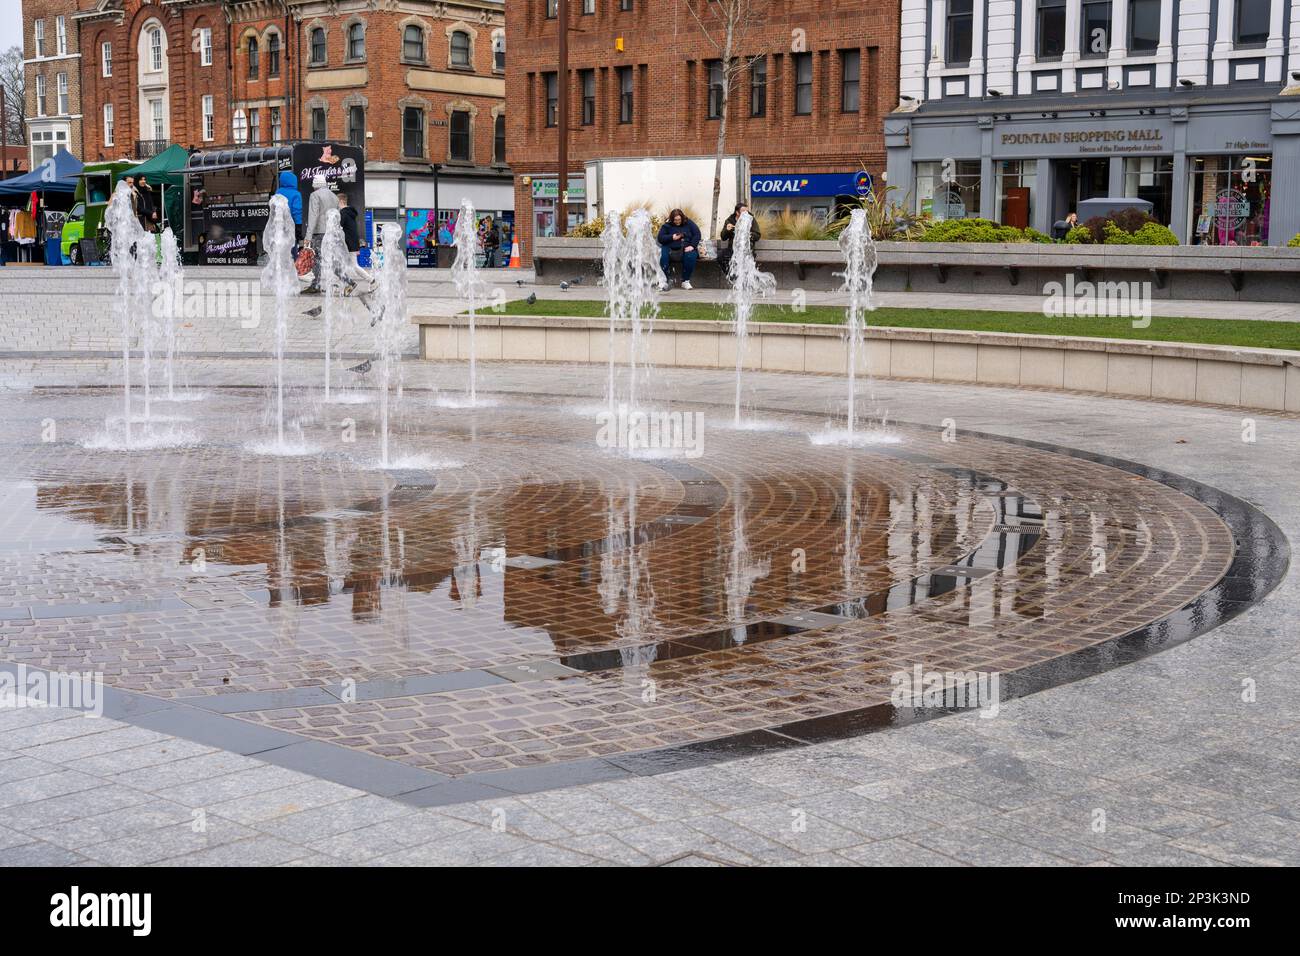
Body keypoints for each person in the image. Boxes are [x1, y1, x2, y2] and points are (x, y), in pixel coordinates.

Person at [303, 174, 339, 294]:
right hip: (331, 232)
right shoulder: (334, 196)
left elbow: (313, 215)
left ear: (316, 185)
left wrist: (308, 236)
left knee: (317, 259)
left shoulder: (315, 195)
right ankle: (347, 280)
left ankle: (316, 285)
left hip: (319, 232)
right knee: (331, 259)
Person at [657, 208, 701, 290]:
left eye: (679, 219)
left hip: (686, 247)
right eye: (675, 220)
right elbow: (660, 238)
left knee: (691, 256)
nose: (677, 222)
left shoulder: (689, 223)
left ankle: (685, 281)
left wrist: (692, 246)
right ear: (671, 219)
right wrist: (672, 237)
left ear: (682, 218)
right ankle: (665, 280)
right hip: (669, 247)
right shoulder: (666, 225)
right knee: (663, 257)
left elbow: (697, 234)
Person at [717, 202, 761, 276]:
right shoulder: (730, 221)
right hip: (733, 249)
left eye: (747, 211)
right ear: (737, 212)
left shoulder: (751, 219)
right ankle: (731, 275)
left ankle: (746, 281)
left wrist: (748, 234)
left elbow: (757, 235)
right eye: (743, 211)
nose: (746, 213)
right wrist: (727, 230)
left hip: (747, 249)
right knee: (721, 257)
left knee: (746, 261)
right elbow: (723, 237)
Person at [275, 170, 304, 243]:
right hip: (291, 225)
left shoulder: (278, 192)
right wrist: (298, 227)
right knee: (291, 248)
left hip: (279, 224)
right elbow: (297, 211)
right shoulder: (296, 194)